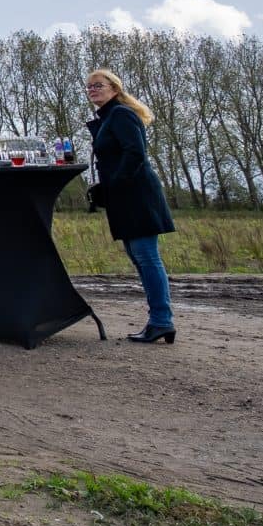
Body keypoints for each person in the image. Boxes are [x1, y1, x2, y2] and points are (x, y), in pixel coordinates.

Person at [85, 69, 178, 343]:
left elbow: (135, 152)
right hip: (125, 195)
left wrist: (115, 184)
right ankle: (159, 321)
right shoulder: (108, 117)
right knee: (140, 259)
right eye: (89, 87)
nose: (92, 90)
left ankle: (162, 320)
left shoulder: (121, 114)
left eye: (98, 85)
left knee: (147, 258)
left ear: (114, 88)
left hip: (136, 195)